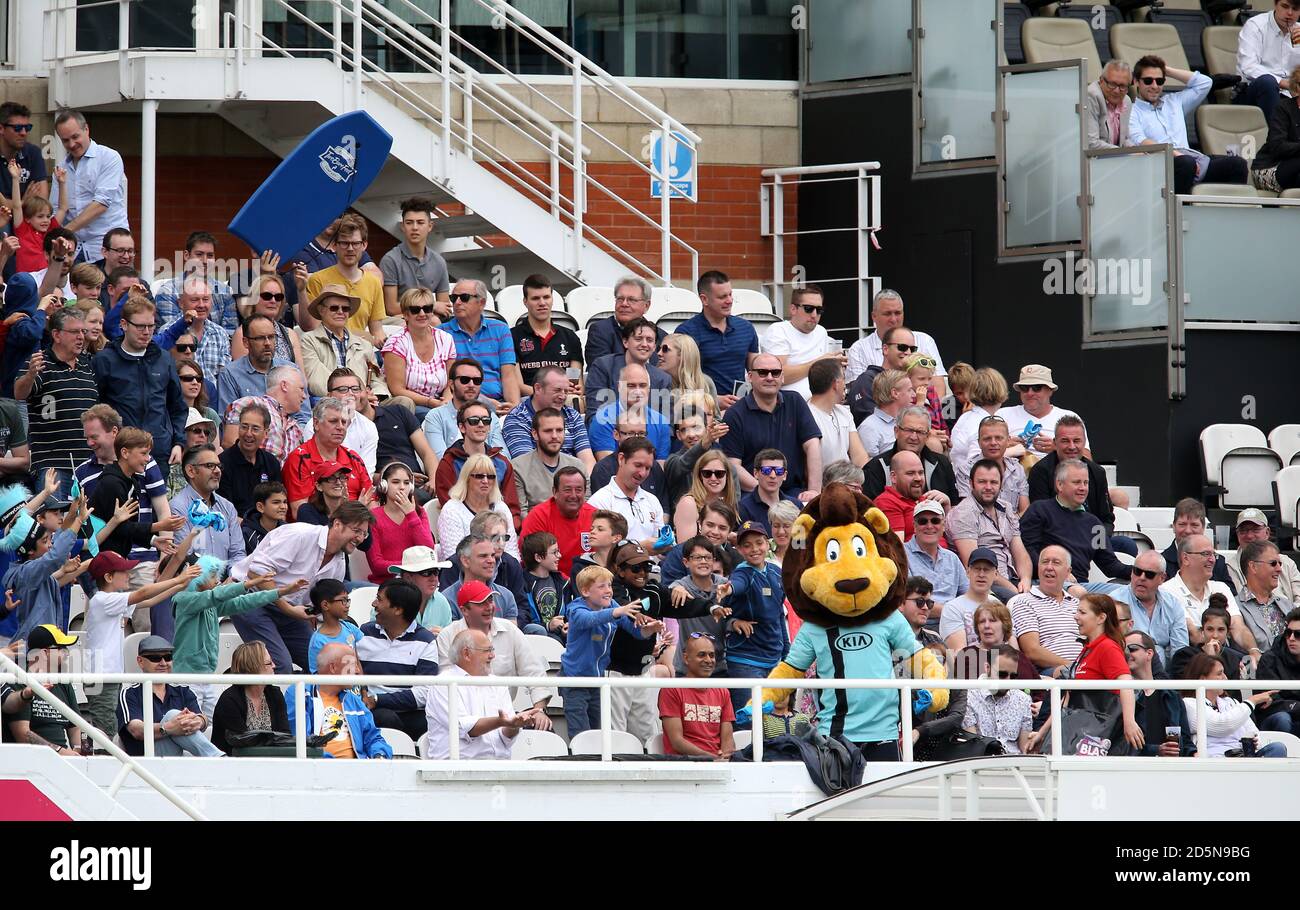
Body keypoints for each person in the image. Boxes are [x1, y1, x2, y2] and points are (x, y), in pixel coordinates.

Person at [228, 501, 374, 673]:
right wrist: (289, 609)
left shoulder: (339, 563)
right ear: (337, 523)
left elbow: (318, 603)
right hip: (250, 599)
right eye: (356, 531)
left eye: (364, 534)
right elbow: (257, 573)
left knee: (325, 663)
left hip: (288, 610)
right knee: (280, 665)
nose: (360, 538)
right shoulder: (300, 534)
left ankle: (311, 699)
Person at [173, 559, 303, 719]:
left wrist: (280, 592)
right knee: (189, 724)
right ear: (200, 577)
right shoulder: (183, 599)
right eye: (213, 576)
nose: (217, 580)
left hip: (208, 677)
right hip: (186, 679)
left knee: (217, 724)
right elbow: (215, 595)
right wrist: (250, 583)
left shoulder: (210, 604)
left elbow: (244, 602)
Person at [1027, 593, 1142, 754]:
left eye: (1082, 612)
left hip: (1097, 735)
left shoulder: (1107, 647)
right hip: (1077, 732)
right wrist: (1043, 733)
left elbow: (1126, 682)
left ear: (1101, 618)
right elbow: (1066, 700)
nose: (1075, 617)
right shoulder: (1087, 650)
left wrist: (1129, 722)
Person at [559, 565, 661, 737]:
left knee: (599, 733)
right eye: (601, 586)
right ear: (585, 591)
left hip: (599, 682)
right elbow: (588, 620)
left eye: (609, 586)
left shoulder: (611, 606)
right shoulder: (575, 609)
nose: (608, 591)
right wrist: (618, 611)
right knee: (580, 734)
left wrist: (651, 629)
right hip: (574, 682)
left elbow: (635, 631)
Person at [435, 580, 554, 720]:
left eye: (490, 600)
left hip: (505, 713)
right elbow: (446, 683)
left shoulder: (510, 630)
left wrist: (539, 711)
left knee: (543, 728)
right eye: (481, 603)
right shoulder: (448, 635)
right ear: (464, 610)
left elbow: (534, 672)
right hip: (464, 715)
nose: (489, 607)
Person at [1131, 55, 1249, 195]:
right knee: (1186, 163)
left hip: (1191, 161)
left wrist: (1166, 70)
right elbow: (1140, 141)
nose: (1155, 86)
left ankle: (1229, 214)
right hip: (1159, 163)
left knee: (1237, 165)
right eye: (1148, 81)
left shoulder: (1174, 101)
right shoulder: (1131, 110)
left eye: (1160, 80)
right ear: (1136, 81)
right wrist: (1174, 154)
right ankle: (1179, 214)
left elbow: (1205, 83)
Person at [423, 627, 547, 759]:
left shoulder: (497, 683)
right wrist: (501, 722)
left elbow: (505, 737)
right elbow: (466, 729)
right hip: (457, 771)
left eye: (492, 650)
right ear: (466, 653)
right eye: (487, 650)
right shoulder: (444, 684)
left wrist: (514, 725)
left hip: (498, 769)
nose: (492, 655)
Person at [93, 296, 187, 469]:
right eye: (140, 326)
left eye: (151, 326)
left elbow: (178, 406)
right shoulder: (104, 360)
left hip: (159, 451)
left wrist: (178, 443)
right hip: (120, 452)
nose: (146, 332)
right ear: (124, 324)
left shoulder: (164, 358)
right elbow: (95, 408)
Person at [13, 306, 97, 496]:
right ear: (57, 335)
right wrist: (30, 375)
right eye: (74, 332)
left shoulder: (87, 364)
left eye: (83, 332)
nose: (81, 337)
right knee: (53, 522)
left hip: (88, 465)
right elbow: (19, 393)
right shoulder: (40, 362)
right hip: (52, 467)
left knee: (89, 524)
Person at [721, 354, 822, 499]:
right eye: (762, 372)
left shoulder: (795, 401)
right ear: (750, 376)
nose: (769, 377)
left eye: (775, 373)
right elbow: (733, 465)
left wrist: (814, 491)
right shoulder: (734, 414)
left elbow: (812, 444)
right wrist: (769, 492)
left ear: (782, 377)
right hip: (752, 495)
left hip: (794, 492)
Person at [354, 578, 439, 740]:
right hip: (373, 711)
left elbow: (424, 693)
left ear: (398, 609)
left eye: (379, 599)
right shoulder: (363, 633)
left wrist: (378, 699)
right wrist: (368, 699)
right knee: (385, 718)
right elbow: (355, 676)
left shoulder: (426, 641)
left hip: (410, 712)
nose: (374, 604)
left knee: (437, 723)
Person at [1020, 460, 1131, 583]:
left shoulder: (1094, 524)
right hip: (1046, 583)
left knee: (1126, 592)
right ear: (1059, 485)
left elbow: (1110, 565)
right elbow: (1027, 551)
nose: (1083, 488)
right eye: (1077, 482)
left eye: (1086, 483)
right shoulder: (1039, 510)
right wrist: (1058, 573)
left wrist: (1143, 572)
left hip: (1082, 585)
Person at [116, 635, 224, 757]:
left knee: (179, 719)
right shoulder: (130, 693)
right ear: (140, 661)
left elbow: (200, 717)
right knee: (172, 715)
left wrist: (199, 721)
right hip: (144, 763)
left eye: (167, 657)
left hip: (179, 757)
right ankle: (218, 758)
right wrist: (168, 727)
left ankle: (217, 758)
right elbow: (136, 730)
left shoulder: (183, 690)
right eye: (155, 658)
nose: (163, 663)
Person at [722, 520, 789, 711]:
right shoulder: (741, 573)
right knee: (748, 722)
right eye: (747, 545)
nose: (754, 549)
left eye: (759, 543)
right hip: (745, 661)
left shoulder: (776, 572)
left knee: (771, 724)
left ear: (768, 544)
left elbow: (778, 616)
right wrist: (729, 591)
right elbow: (737, 586)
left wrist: (786, 653)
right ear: (740, 550)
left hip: (774, 661)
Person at [287, 642, 393, 760]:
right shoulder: (300, 692)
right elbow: (302, 741)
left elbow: (373, 738)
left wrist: (380, 755)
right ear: (333, 668)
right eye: (353, 664)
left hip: (356, 771)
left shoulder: (353, 700)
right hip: (318, 771)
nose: (358, 671)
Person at [949, 459, 1033, 602]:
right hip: (987, 584)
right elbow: (973, 564)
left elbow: (1021, 553)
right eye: (982, 482)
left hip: (1013, 581)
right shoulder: (963, 513)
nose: (988, 487)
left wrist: (1025, 581)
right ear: (971, 484)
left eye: (993, 482)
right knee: (1025, 606)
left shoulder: (1006, 508)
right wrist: (1015, 592)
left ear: (1001, 485)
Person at [297, 213, 386, 346]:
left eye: (355, 243)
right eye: (344, 243)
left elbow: (377, 331)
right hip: (326, 350)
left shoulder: (373, 282)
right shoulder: (317, 279)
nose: (350, 249)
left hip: (360, 353)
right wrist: (362, 336)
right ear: (334, 245)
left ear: (364, 245)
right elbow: (311, 327)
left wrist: (382, 342)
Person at [51, 109, 127, 261]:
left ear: (86, 129)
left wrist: (65, 231)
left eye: (75, 137)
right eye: (65, 140)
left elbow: (101, 203)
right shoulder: (60, 168)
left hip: (109, 246)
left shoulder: (109, 157)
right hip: (74, 249)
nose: (72, 144)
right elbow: (57, 209)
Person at [676, 270, 760, 408]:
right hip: (702, 409)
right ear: (704, 299)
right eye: (722, 297)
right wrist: (713, 399)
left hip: (742, 405)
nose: (729, 300)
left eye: (730, 294)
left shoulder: (746, 328)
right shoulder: (686, 332)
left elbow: (756, 369)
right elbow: (682, 379)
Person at [1092, 551, 1189, 667]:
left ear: (1162, 578)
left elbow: (1180, 651)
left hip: (1164, 678)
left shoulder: (1173, 605)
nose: (1142, 578)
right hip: (1125, 672)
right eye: (1137, 571)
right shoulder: (1113, 602)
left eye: (1149, 574)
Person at [1181, 652, 1287, 758]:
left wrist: (1253, 742)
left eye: (1224, 673)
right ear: (1202, 679)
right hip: (1215, 761)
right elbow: (1221, 725)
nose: (1225, 678)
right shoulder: (1189, 703)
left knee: (1277, 748)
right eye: (1219, 674)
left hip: (1242, 757)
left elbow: (1254, 733)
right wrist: (1253, 701)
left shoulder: (1231, 702)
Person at [437, 278, 522, 409]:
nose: (457, 302)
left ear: (481, 302)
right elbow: (449, 381)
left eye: (464, 297)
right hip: (460, 403)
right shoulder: (441, 332)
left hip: (499, 402)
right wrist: (485, 402)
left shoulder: (500, 329)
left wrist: (513, 407)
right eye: (453, 298)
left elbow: (508, 375)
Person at [282, 398, 373, 514]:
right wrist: (353, 512)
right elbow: (299, 512)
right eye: (333, 421)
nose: (340, 427)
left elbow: (372, 502)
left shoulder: (354, 457)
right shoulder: (299, 459)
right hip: (316, 529)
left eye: (344, 422)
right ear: (316, 424)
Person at [1, 624, 83, 754]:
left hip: (64, 761)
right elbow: (23, 734)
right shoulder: (18, 680)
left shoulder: (62, 681)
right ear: (45, 652)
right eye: (62, 648)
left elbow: (75, 724)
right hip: (33, 761)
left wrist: (77, 750)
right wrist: (60, 752)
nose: (67, 653)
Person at [215, 316, 311, 424]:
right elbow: (229, 420)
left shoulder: (291, 370)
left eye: (271, 337)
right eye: (260, 338)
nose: (267, 343)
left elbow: (304, 417)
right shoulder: (230, 374)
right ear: (246, 342)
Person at [845, 288, 947, 390]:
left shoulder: (924, 340)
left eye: (898, 313)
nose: (893, 319)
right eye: (887, 314)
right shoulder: (859, 349)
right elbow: (860, 392)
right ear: (874, 316)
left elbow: (938, 386)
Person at [299, 284, 387, 398]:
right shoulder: (308, 341)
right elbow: (316, 381)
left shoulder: (364, 344)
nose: (340, 312)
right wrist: (355, 396)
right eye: (334, 308)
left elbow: (377, 380)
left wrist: (377, 396)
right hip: (330, 404)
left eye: (345, 308)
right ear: (321, 310)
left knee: (402, 403)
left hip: (366, 403)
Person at [587, 435, 670, 555]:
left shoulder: (652, 500)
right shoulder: (599, 501)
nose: (642, 473)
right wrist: (640, 547)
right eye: (638, 465)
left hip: (652, 570)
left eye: (647, 468)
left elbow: (660, 546)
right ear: (621, 459)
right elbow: (599, 550)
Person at [666, 534, 735, 676]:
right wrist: (675, 590)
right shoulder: (680, 586)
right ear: (686, 562)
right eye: (697, 557)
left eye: (708, 557)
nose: (703, 562)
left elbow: (733, 614)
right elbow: (669, 592)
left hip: (718, 666)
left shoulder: (725, 585)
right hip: (686, 669)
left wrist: (735, 622)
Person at [659, 633, 736, 759]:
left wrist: (725, 757)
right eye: (701, 655)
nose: (708, 660)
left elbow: (728, 739)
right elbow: (677, 741)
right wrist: (712, 758)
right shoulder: (671, 689)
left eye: (711, 655)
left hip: (717, 764)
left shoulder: (722, 691)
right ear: (686, 658)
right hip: (684, 764)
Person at [501, 365, 595, 468]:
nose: (563, 396)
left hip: (576, 480)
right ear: (538, 388)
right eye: (557, 390)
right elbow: (527, 467)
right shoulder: (517, 419)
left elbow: (588, 461)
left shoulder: (572, 415)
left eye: (566, 391)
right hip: (538, 480)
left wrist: (584, 483)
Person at [1009, 545, 1083, 676]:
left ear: (1068, 571)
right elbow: (1032, 651)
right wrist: (1074, 666)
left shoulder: (1078, 604)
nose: (1049, 567)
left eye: (1056, 562)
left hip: (1084, 668)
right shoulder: (1025, 601)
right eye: (1044, 562)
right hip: (1050, 672)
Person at [993, 365, 1089, 463]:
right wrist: (1004, 445)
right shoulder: (1002, 415)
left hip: (1057, 475)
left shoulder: (1068, 417)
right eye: (1024, 388)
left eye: (1036, 387)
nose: (1030, 393)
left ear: (1050, 390)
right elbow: (982, 453)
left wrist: (1057, 448)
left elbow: (1088, 461)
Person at [382, 287, 457, 412]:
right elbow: (397, 389)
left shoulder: (446, 339)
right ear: (405, 315)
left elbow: (451, 381)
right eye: (415, 310)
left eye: (427, 309)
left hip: (441, 401)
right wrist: (430, 402)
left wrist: (447, 401)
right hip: (411, 405)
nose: (422, 314)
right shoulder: (396, 343)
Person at [1162, 534, 1245, 647]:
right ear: (1185, 558)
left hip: (1225, 656)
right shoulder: (1167, 591)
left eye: (1213, 554)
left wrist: (1254, 651)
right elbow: (1194, 635)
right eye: (1205, 554)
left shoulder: (1221, 588)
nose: (1212, 560)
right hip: (1192, 658)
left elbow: (1239, 629)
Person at [862, 405, 958, 501]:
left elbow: (955, 505)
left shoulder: (942, 464)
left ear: (928, 436)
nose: (913, 437)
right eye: (909, 430)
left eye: (920, 432)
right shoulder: (877, 467)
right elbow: (870, 510)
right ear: (896, 432)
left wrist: (946, 501)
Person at [436, 453, 520, 561]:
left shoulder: (501, 507)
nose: (485, 481)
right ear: (467, 479)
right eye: (479, 476)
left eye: (490, 477)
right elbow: (453, 555)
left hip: (500, 570)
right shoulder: (451, 509)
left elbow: (512, 552)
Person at [1123, 631, 1195, 757]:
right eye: (1123, 650)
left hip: (1171, 769)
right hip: (1136, 769)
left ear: (1149, 653)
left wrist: (1193, 753)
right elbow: (1121, 743)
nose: (1126, 653)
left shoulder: (1171, 695)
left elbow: (1184, 739)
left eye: (1132, 648)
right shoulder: (1122, 696)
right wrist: (1157, 750)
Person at [585, 316, 673, 418]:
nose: (644, 344)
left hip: (650, 432)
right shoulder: (603, 367)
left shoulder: (663, 379)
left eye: (649, 340)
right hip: (610, 431)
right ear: (625, 342)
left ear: (654, 347)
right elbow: (595, 415)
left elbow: (666, 422)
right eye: (638, 339)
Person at [760, 284, 839, 399]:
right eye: (808, 308)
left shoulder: (821, 332)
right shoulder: (778, 331)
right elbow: (778, 376)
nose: (814, 314)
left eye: (819, 310)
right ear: (793, 309)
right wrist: (818, 364)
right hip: (787, 404)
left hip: (821, 402)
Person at [211, 640, 290, 754]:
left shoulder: (275, 694)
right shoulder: (229, 700)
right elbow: (239, 744)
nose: (274, 665)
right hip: (232, 765)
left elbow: (284, 737)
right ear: (254, 667)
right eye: (269, 663)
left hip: (271, 762)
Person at [220, 362, 307, 462]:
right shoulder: (250, 404)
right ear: (284, 386)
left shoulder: (296, 429)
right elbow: (229, 443)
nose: (304, 396)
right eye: (301, 389)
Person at [379, 196, 451, 317]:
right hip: (400, 321)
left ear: (430, 226)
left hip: (430, 319)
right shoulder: (390, 260)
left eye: (420, 222)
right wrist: (432, 306)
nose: (415, 227)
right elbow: (391, 308)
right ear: (402, 226)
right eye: (409, 222)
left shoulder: (439, 262)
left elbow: (444, 307)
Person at [422, 357, 507, 460]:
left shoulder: (490, 417)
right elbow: (439, 459)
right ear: (452, 384)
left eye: (477, 381)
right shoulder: (436, 416)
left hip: (488, 474)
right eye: (465, 380)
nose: (471, 385)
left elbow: (503, 457)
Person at [520, 466, 596, 578]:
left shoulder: (595, 516)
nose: (573, 495)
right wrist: (567, 583)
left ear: (585, 492)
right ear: (555, 492)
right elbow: (532, 560)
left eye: (579, 490)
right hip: (549, 583)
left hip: (588, 583)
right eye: (567, 490)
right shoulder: (539, 516)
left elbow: (604, 555)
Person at [365, 461, 434, 585]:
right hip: (386, 585)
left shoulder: (419, 512)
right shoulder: (373, 517)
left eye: (406, 483)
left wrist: (411, 515)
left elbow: (428, 550)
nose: (402, 487)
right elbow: (376, 565)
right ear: (383, 486)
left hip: (417, 584)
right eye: (396, 482)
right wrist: (412, 567)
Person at [511, 407, 588, 517]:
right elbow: (521, 514)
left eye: (559, 430)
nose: (554, 436)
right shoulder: (517, 467)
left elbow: (585, 508)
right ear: (535, 434)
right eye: (548, 431)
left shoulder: (578, 466)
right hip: (537, 530)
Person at [587, 362, 672, 461]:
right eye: (631, 386)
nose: (637, 391)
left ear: (649, 389)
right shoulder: (603, 419)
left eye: (642, 385)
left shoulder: (661, 422)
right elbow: (608, 467)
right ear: (619, 387)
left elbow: (660, 467)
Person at [961, 643, 1034, 755]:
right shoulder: (969, 696)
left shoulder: (1023, 699)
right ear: (987, 668)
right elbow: (973, 748)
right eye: (1002, 674)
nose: (1008, 681)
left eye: (1013, 676)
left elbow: (1025, 749)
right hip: (981, 764)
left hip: (1016, 764)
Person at [1235, 0, 1300, 123]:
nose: (1289, 13)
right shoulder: (1256, 25)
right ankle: (1278, 137)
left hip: (1290, 94)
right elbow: (1248, 67)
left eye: (1295, 9)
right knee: (1268, 82)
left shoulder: (1298, 31)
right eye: (1285, 7)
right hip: (1254, 91)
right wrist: (1284, 83)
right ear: (1275, 5)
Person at [949, 600, 1040, 687]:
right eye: (982, 622)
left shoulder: (1018, 656)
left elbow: (1038, 691)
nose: (986, 626)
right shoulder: (967, 655)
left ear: (1005, 625)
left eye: (992, 621)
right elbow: (964, 694)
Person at [904, 501, 968, 625]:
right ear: (914, 526)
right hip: (919, 626)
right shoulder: (901, 555)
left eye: (935, 521)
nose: (929, 526)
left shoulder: (952, 558)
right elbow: (910, 603)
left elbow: (968, 595)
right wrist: (954, 613)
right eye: (923, 521)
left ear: (943, 526)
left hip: (956, 624)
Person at [441, 533, 524, 625]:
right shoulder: (447, 600)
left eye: (492, 555)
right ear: (465, 561)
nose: (491, 561)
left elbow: (510, 635)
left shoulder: (506, 596)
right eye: (483, 556)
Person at [217, 401, 282, 516]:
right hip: (236, 527)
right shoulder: (222, 463)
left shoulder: (271, 463)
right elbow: (225, 512)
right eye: (244, 427)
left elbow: (278, 505)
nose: (248, 433)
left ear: (266, 433)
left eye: (255, 429)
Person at [584, 274, 666, 365]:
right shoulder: (601, 331)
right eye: (620, 299)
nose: (624, 304)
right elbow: (601, 371)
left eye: (632, 300)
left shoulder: (660, 335)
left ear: (646, 306)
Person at [230, 272, 304, 371]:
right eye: (267, 296)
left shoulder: (290, 334)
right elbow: (243, 377)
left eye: (278, 297)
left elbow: (302, 377)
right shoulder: (242, 333)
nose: (273, 300)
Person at [873, 450, 951, 543]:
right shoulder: (887, 501)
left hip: (946, 555)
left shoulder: (927, 498)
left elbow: (952, 539)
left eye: (921, 473)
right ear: (894, 477)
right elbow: (898, 549)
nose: (918, 478)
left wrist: (946, 507)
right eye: (910, 473)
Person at [947, 367, 1008, 483]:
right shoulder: (980, 423)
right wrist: (1015, 450)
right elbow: (976, 462)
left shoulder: (967, 417)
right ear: (1000, 390)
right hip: (968, 487)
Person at [1159, 498, 1237, 591]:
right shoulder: (1161, 563)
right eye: (1182, 524)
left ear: (1203, 528)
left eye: (1194, 525)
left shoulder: (1217, 562)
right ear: (1174, 526)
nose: (1188, 530)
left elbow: (1229, 596)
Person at [1226, 508, 1300, 601]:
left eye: (1255, 530)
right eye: (1243, 530)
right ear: (1237, 534)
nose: (1249, 535)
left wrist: (1292, 615)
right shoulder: (1230, 567)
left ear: (1267, 532)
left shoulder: (1287, 562)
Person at [806, 358, 868, 467]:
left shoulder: (844, 412)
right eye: (844, 378)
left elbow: (859, 457)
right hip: (823, 482)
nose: (845, 384)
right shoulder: (807, 416)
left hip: (848, 480)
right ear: (836, 384)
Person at [1169, 600, 1251, 682]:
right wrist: (1210, 658)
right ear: (1202, 631)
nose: (1215, 635)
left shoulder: (1240, 658)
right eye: (1210, 629)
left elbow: (1251, 687)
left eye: (1221, 630)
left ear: (1228, 633)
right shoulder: (1184, 655)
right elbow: (1185, 688)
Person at [1236, 539, 1294, 655]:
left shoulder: (1287, 605)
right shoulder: (1234, 608)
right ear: (1253, 567)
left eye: (1280, 563)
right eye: (1273, 563)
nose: (1279, 569)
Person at [939, 547, 1000, 651]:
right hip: (968, 665)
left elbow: (1012, 648)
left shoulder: (999, 606)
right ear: (967, 572)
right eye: (976, 569)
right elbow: (959, 653)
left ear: (996, 575)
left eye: (986, 570)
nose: (981, 574)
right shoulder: (953, 608)